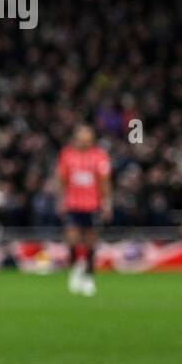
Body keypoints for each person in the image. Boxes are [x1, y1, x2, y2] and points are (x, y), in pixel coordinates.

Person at [55, 124, 111, 296]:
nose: (84, 142)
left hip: (92, 205)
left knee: (90, 242)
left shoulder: (99, 156)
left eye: (87, 139)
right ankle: (75, 270)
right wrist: (61, 200)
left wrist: (107, 203)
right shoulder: (67, 155)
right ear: (76, 139)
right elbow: (61, 179)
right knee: (71, 238)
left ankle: (88, 278)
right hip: (73, 204)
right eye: (81, 139)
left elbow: (104, 182)